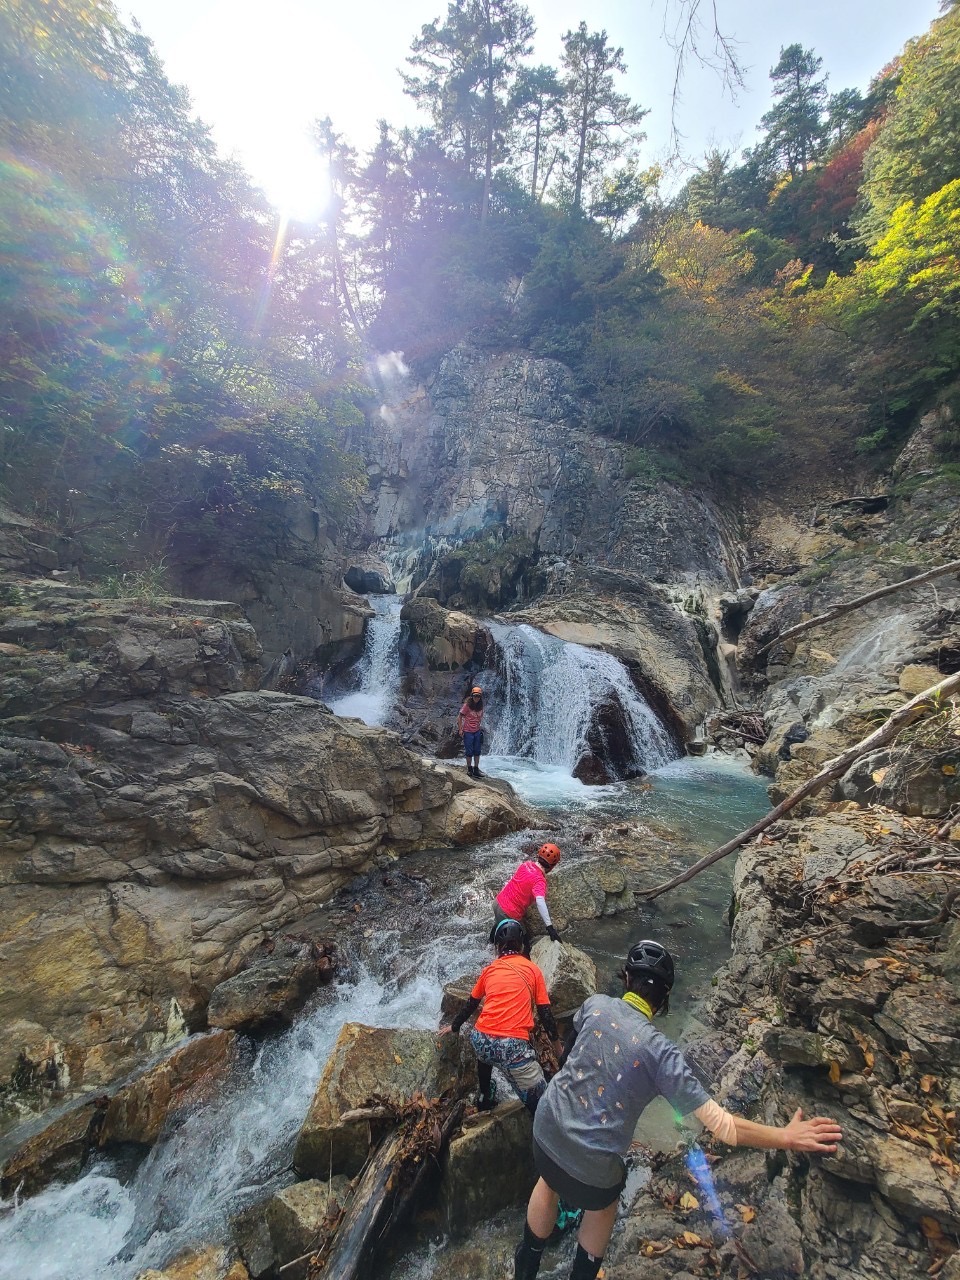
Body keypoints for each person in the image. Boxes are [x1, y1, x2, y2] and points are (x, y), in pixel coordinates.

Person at [510, 939, 844, 1280]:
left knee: (549, 1181)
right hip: (593, 1170)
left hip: (546, 1130)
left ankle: (526, 1266)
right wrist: (787, 1137)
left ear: (626, 979)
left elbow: (568, 1057)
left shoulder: (595, 1005)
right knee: (605, 1201)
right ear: (665, 1000)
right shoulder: (663, 1054)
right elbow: (723, 1127)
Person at [443, 919, 562, 1113]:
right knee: (544, 1108)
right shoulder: (533, 970)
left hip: (481, 1040)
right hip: (512, 1047)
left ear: (498, 947)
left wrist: (454, 1026)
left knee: (486, 1051)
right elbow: (546, 1014)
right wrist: (558, 1049)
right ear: (522, 945)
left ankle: (484, 1096)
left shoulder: (489, 970)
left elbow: (471, 1004)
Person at [493, 843, 562, 946]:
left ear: (538, 856)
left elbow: (513, 882)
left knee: (500, 927)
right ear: (552, 867)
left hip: (497, 903)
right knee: (524, 943)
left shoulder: (526, 864)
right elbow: (540, 902)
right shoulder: (539, 880)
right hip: (509, 912)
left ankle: (491, 943)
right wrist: (550, 927)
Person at [458, 685, 485, 777]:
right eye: (475, 696)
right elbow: (460, 716)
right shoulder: (467, 706)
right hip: (468, 731)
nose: (476, 698)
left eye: (478, 696)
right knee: (469, 751)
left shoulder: (480, 706)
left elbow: (480, 717)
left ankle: (476, 769)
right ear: (472, 696)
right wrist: (460, 729)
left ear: (480, 697)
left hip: (477, 731)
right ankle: (469, 769)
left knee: (477, 751)